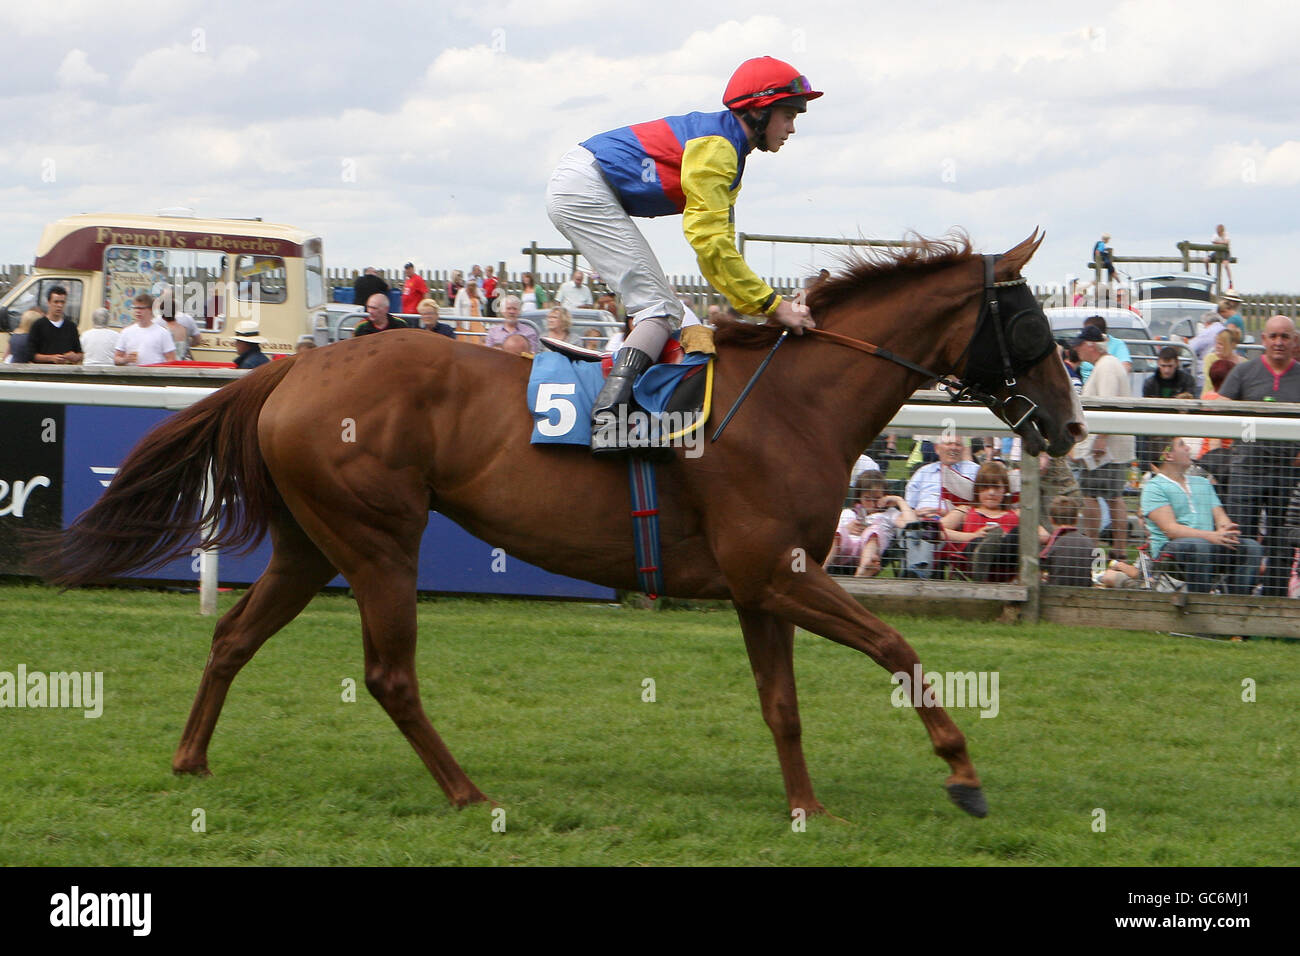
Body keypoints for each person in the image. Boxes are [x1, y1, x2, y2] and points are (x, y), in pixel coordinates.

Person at [546, 55, 819, 455]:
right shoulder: (717, 148)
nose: (792, 128)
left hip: (583, 184)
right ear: (760, 110)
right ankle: (609, 420)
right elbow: (710, 245)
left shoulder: (730, 153)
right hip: (582, 188)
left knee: (663, 307)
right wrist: (774, 307)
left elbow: (718, 246)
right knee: (659, 307)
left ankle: (623, 401)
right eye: (788, 114)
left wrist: (764, 306)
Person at [1218, 314, 1300, 596]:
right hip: (1247, 470)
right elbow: (1220, 407)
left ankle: (1275, 607)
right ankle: (1236, 602)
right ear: (1263, 340)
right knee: (1240, 538)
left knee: (1282, 542)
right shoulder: (1243, 372)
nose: (1279, 342)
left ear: (1294, 342)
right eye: (1273, 336)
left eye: (1285, 337)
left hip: (1287, 472)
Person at [1141, 438, 1260, 594]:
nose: (1188, 448)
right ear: (1168, 455)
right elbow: (1171, 530)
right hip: (1171, 552)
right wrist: (1211, 536)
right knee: (1199, 546)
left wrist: (1227, 530)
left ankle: (1237, 605)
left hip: (1207, 545)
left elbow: (1220, 517)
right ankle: (1201, 605)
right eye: (1182, 445)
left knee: (1251, 547)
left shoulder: (1202, 483)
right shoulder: (1153, 488)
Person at [1070, 325, 1135, 558]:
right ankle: (1116, 550)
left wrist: (1101, 440)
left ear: (1090, 346)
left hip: (1106, 447)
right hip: (1110, 446)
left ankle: (1096, 547)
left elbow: (1107, 404)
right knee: (1111, 496)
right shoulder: (1108, 365)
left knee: (1093, 495)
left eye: (1079, 345)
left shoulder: (1106, 367)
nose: (1076, 350)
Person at [938, 460, 1023, 582]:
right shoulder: (965, 511)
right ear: (978, 489)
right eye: (985, 487)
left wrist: (1005, 539)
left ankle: (992, 546)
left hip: (1005, 562)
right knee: (978, 542)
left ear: (1005, 490)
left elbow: (1044, 536)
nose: (991, 493)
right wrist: (973, 536)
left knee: (1019, 532)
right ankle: (983, 554)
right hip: (972, 559)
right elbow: (935, 529)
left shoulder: (1016, 514)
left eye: (996, 487)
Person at [823, 470, 916, 577]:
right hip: (843, 551)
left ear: (884, 497)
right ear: (859, 498)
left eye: (877, 499)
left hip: (869, 550)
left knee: (873, 531)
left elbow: (911, 524)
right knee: (838, 531)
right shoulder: (848, 513)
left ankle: (863, 570)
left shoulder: (889, 514)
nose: (872, 503)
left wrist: (899, 500)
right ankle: (822, 567)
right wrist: (848, 528)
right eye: (867, 499)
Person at [1039, 496, 1095, 588]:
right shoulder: (1088, 542)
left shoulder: (1054, 541)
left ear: (1051, 519)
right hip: (1084, 592)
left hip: (1056, 594)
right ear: (1076, 519)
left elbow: (1039, 568)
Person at [114, 293, 177, 366]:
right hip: (131, 375)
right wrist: (125, 360)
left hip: (155, 375)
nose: (137, 311)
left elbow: (171, 360)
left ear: (150, 310)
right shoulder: (126, 332)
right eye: (135, 308)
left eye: (141, 308)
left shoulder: (163, 333)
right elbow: (116, 358)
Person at [28, 286, 83, 364]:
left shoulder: (71, 327)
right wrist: (51, 358)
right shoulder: (38, 325)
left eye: (62, 302)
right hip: (44, 372)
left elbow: (80, 353)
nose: (59, 305)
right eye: (56, 302)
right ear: (49, 303)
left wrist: (75, 357)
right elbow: (31, 355)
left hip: (67, 372)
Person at [1200, 328, 1243, 396]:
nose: (1217, 347)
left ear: (1231, 345)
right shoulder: (1210, 359)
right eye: (1216, 343)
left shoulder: (1243, 362)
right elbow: (1209, 384)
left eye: (1221, 344)